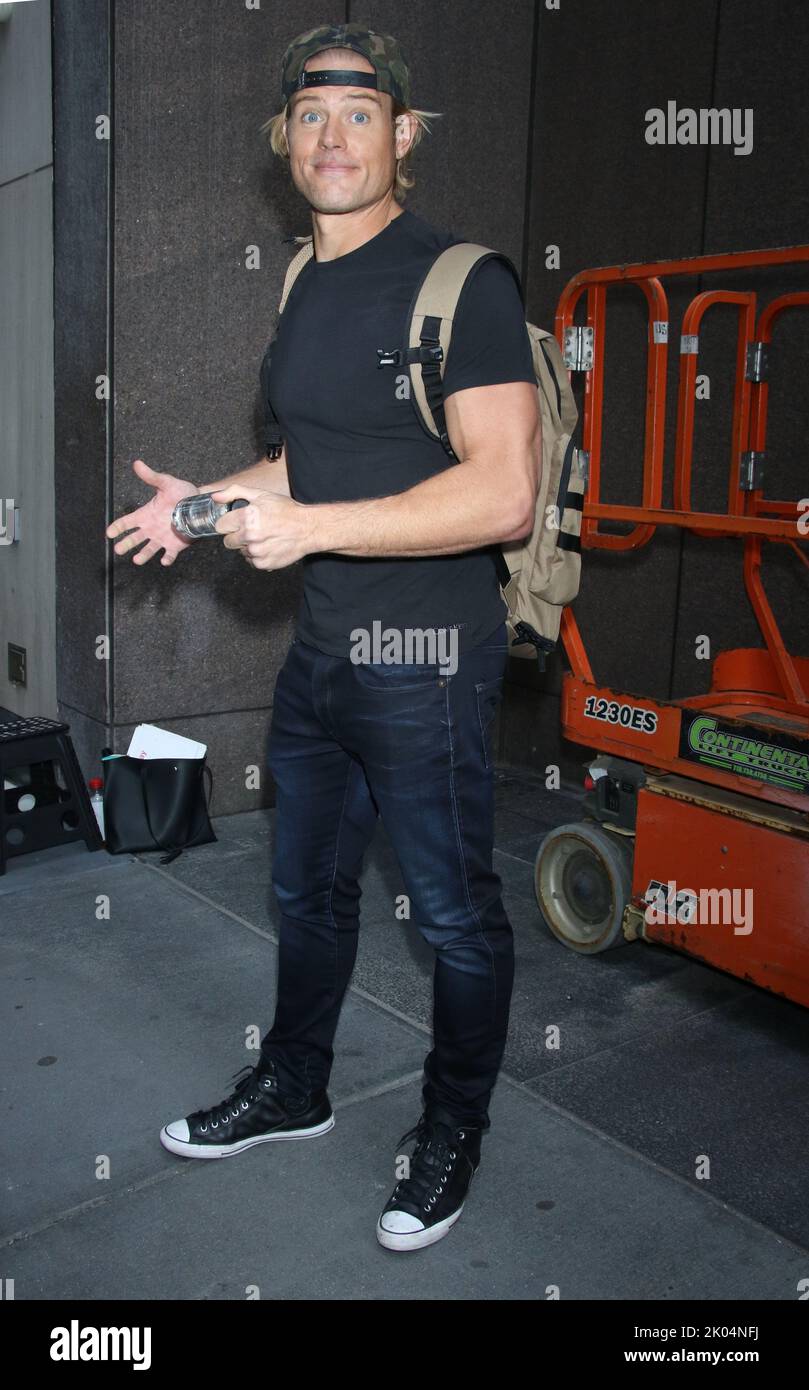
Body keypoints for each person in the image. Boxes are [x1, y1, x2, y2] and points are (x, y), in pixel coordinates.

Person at [106, 22, 541, 1253]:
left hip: (426, 661)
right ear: (283, 139)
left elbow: (501, 490)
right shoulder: (302, 281)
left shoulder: (465, 282)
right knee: (303, 894)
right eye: (310, 113)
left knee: (452, 917)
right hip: (323, 658)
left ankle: (450, 1128)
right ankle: (294, 1085)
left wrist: (305, 528)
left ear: (402, 134)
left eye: (360, 113)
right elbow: (302, 463)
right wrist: (196, 507)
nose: (333, 134)